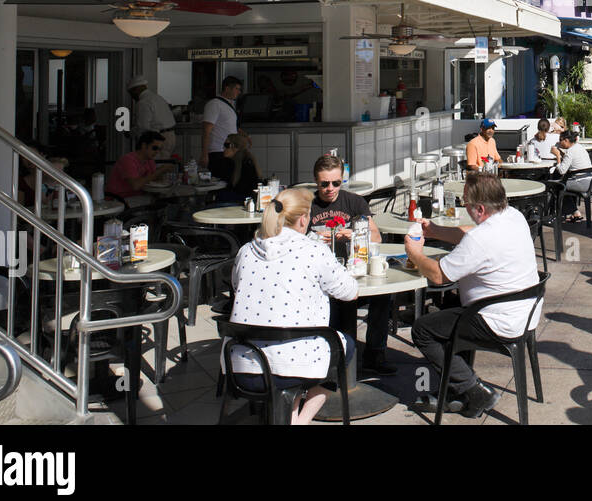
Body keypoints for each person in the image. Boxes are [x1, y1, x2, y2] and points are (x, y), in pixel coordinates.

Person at [406, 172, 541, 418]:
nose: (463, 206)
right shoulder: (513, 216)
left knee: (423, 329)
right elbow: (470, 233)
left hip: (496, 320)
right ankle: (459, 390)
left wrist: (414, 254)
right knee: (452, 308)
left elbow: (438, 276)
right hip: (524, 312)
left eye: (465, 203)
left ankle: (473, 389)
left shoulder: (481, 240)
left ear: (479, 208)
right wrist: (436, 231)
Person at [229, 188, 360, 424]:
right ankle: (301, 420)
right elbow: (350, 292)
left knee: (297, 344)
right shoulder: (314, 252)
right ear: (303, 219)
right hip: (293, 366)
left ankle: (290, 414)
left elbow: (238, 286)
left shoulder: (245, 251)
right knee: (344, 346)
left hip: (241, 366)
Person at [307, 154, 393, 376]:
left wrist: (353, 234)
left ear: (342, 180)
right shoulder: (308, 206)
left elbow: (376, 237)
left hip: (352, 268)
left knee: (383, 296)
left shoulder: (354, 202)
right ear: (316, 182)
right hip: (319, 276)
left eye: (336, 183)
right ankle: (329, 355)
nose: (330, 188)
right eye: (324, 184)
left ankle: (376, 352)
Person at [105, 131, 167, 201]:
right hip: (119, 199)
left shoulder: (149, 160)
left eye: (160, 149)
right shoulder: (128, 160)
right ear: (144, 145)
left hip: (137, 197)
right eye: (155, 148)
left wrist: (162, 173)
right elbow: (135, 185)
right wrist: (159, 171)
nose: (157, 152)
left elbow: (155, 180)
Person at [127, 75, 177, 158]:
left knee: (156, 166)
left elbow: (143, 127)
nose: (132, 96)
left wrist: (130, 133)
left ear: (136, 90)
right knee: (163, 163)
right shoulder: (157, 97)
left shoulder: (143, 102)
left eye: (131, 93)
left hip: (158, 139)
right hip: (170, 136)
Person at [551, 129, 592, 223]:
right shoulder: (579, 147)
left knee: (558, 186)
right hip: (591, 181)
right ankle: (573, 211)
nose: (559, 142)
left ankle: (561, 214)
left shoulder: (570, 151)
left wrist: (558, 156)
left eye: (560, 140)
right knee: (563, 183)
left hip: (583, 183)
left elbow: (562, 171)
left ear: (566, 140)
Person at [200, 76, 244, 169]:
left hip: (229, 150)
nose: (239, 92)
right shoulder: (214, 104)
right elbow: (206, 130)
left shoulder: (229, 105)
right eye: (237, 89)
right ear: (227, 88)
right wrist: (204, 154)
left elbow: (229, 126)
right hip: (217, 150)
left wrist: (244, 136)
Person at [209, 133, 263, 199]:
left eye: (226, 145)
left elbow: (240, 190)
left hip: (240, 200)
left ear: (235, 147)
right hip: (242, 199)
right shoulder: (244, 160)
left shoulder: (243, 163)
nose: (223, 148)